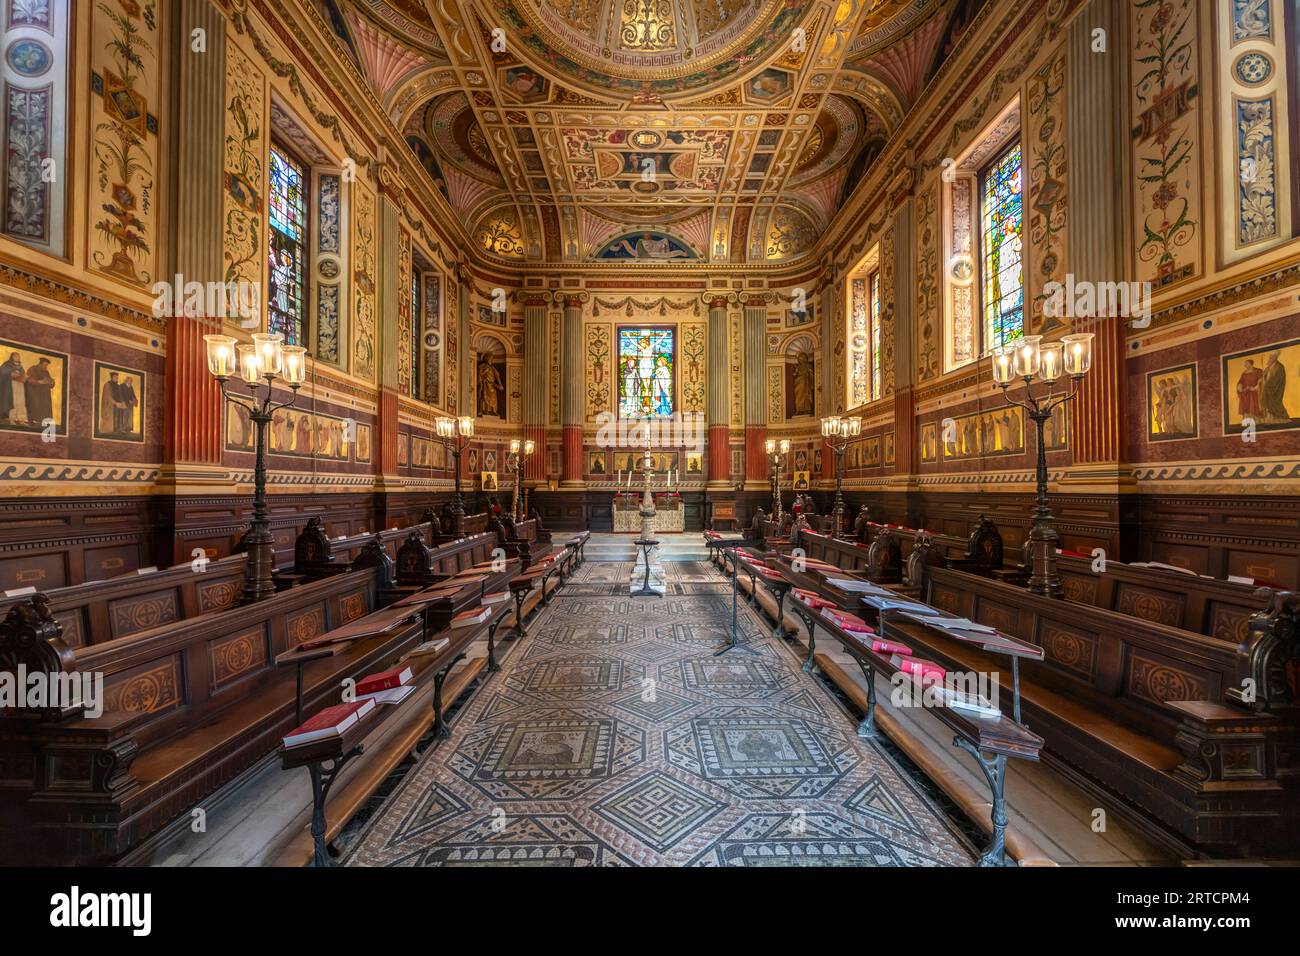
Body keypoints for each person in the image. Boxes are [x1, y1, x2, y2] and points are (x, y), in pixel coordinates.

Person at [23, 357, 54, 427]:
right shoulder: (32, 369)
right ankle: (33, 422)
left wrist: (51, 382)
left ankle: (45, 422)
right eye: (45, 365)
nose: (46, 367)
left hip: (44, 395)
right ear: (40, 364)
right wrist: (39, 382)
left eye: (47, 365)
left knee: (45, 408)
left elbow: (50, 382)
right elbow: (28, 380)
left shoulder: (46, 372)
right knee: (35, 407)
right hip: (34, 393)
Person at [1259, 351, 1288, 424]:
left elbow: (1278, 379)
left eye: (1272, 357)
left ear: (1276, 358)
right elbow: (1263, 377)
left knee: (1275, 403)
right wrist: (1261, 380)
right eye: (1270, 357)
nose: (1270, 359)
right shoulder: (1267, 368)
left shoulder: (1279, 367)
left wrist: (1267, 383)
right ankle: (1269, 418)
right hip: (1267, 389)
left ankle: (1280, 418)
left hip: (1275, 389)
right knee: (1266, 402)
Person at [0, 352, 27, 424]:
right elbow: (2, 372)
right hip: (11, 385)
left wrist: (24, 377)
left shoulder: (21, 366)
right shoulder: (7, 364)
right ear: (12, 357)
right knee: (13, 401)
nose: (18, 357)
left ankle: (21, 419)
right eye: (16, 356)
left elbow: (23, 375)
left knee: (21, 401)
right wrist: (11, 374)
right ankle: (12, 418)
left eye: (19, 356)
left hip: (20, 385)